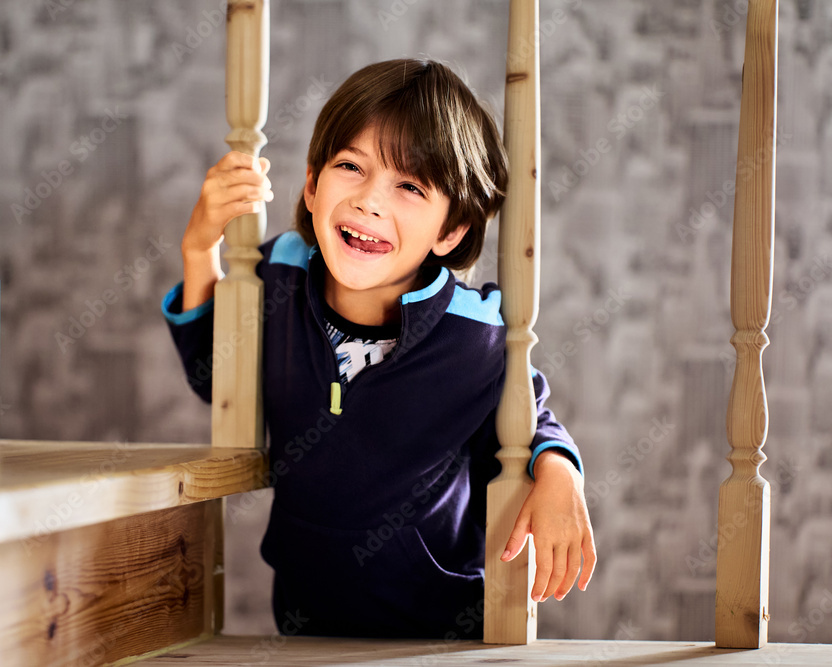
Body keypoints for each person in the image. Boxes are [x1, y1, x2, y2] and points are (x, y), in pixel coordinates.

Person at [162, 58, 595, 639]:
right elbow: (217, 379)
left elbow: (531, 417)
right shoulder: (278, 277)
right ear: (313, 186)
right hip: (303, 621)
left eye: (410, 186)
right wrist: (199, 252)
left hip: (441, 632)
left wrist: (561, 474)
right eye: (351, 167)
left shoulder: (473, 331)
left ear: (450, 231)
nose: (370, 201)